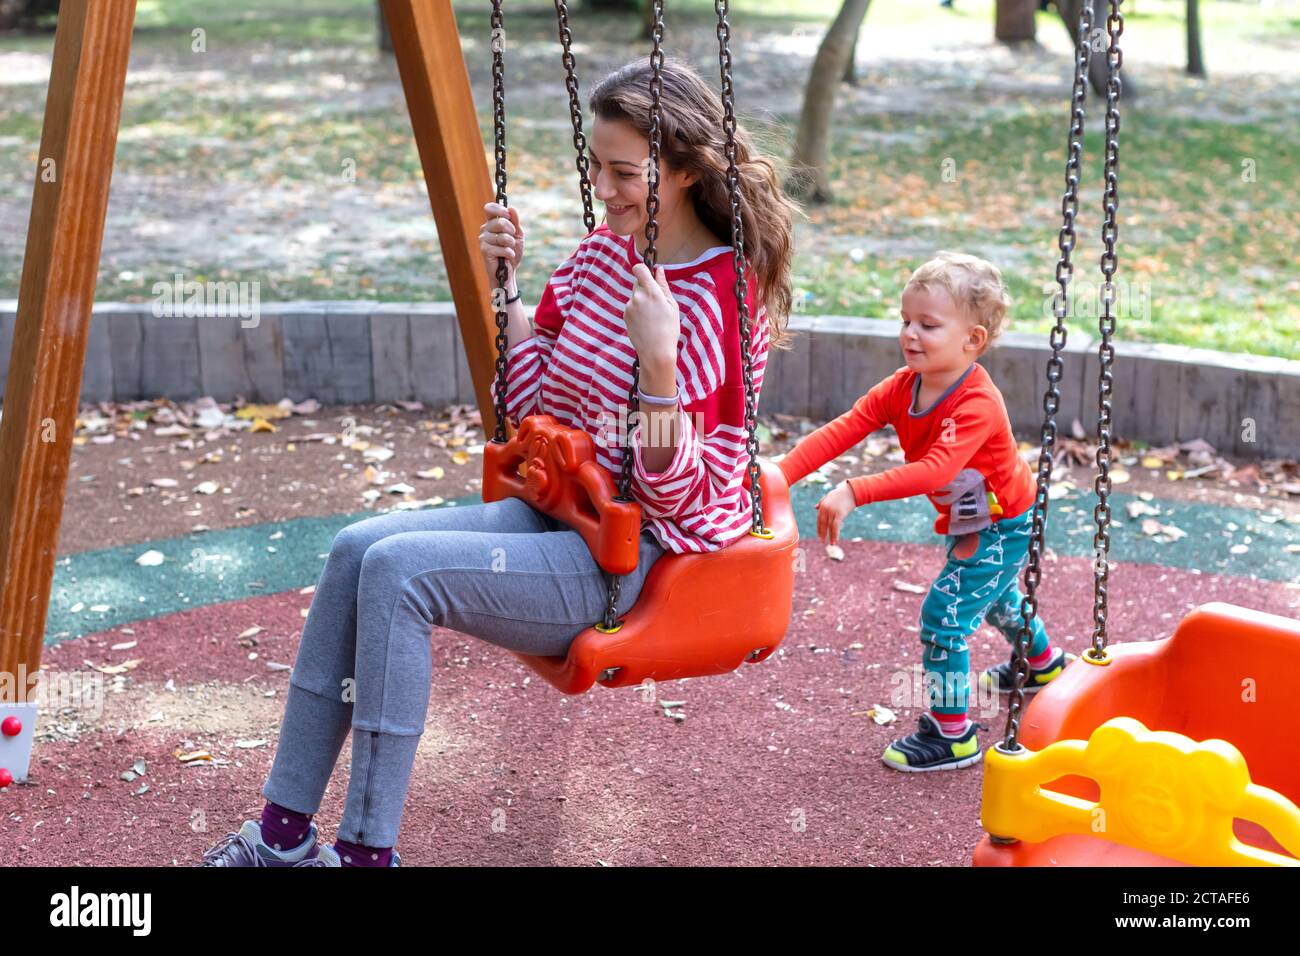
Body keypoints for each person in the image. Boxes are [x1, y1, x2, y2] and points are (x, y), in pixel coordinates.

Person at [198, 55, 796, 866]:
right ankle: (282, 837)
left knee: (402, 572)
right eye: (597, 165)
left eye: (626, 172)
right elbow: (535, 398)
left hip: (631, 557)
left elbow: (672, 493)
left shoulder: (721, 301)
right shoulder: (599, 254)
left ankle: (367, 852)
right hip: (553, 517)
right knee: (355, 551)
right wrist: (506, 292)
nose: (607, 188)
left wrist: (659, 368)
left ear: (686, 171)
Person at [777, 252, 1071, 772]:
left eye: (928, 325)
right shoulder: (902, 386)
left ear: (972, 340)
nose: (910, 333)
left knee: (946, 616)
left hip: (1003, 523)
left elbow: (936, 470)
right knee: (998, 599)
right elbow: (847, 426)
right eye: (905, 321)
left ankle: (951, 733)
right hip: (974, 518)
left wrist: (854, 489)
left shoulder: (976, 402)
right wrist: (782, 474)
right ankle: (1043, 664)